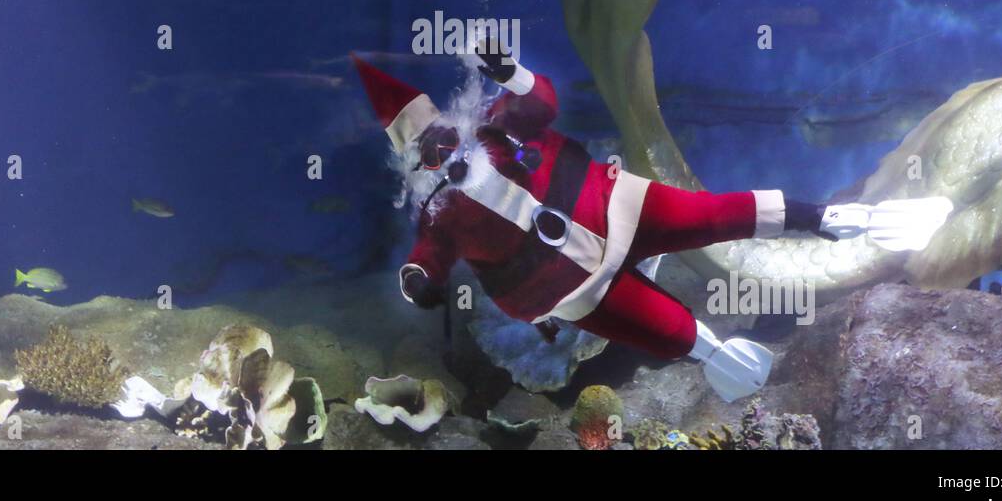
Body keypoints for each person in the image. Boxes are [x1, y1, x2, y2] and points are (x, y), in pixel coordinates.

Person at [353, 44, 951, 401]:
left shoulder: (494, 128)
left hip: (621, 207)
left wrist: (511, 73)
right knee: (669, 330)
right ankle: (722, 358)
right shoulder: (440, 215)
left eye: (442, 138)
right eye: (429, 153)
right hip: (568, 291)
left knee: (717, 214)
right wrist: (417, 279)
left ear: (450, 125)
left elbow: (543, 104)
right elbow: (428, 257)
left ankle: (839, 218)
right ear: (416, 164)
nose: (444, 153)